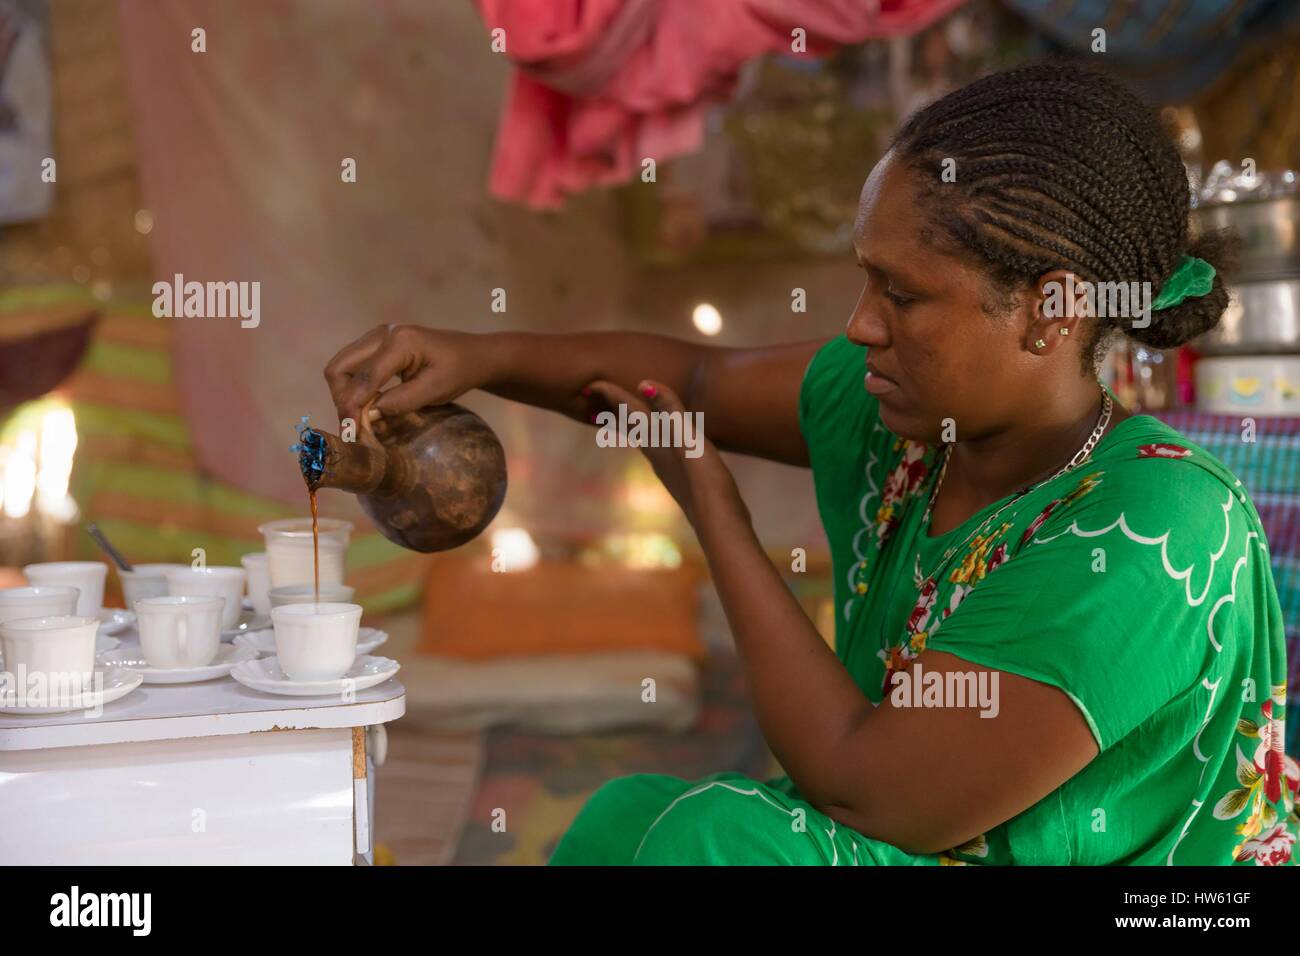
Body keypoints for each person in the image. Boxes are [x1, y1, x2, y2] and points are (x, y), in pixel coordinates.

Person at [325, 62, 1296, 865]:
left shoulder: (1151, 526)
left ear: (1050, 308)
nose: (860, 324)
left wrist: (716, 515)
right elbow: (694, 378)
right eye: (864, 278)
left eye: (901, 294)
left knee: (709, 843)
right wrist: (478, 357)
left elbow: (868, 787)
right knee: (632, 820)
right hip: (911, 820)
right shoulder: (915, 420)